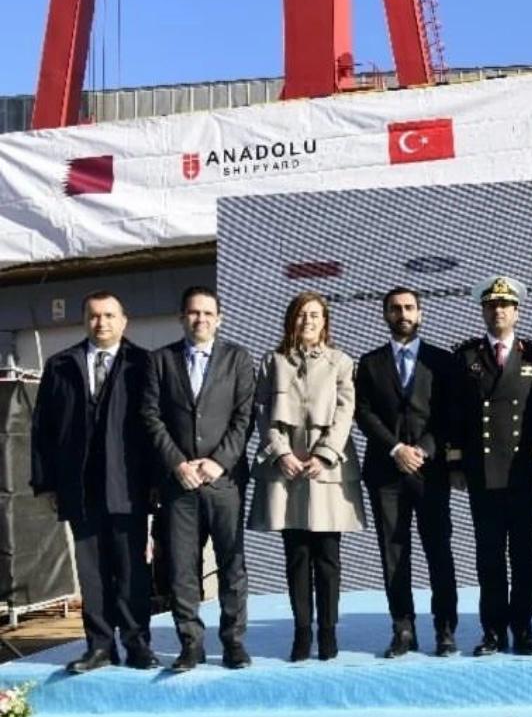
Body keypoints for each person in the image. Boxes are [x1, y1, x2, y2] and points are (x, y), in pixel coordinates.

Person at [30, 291, 155, 673]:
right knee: (92, 572)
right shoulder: (60, 365)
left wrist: (155, 484)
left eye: (109, 315)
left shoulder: (144, 363)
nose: (102, 323)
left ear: (124, 320)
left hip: (128, 486)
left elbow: (154, 428)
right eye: (94, 316)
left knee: (132, 569)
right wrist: (45, 483)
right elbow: (43, 430)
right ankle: (99, 646)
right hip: (79, 488)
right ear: (85, 320)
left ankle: (137, 644)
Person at [140, 286, 257, 672]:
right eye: (193, 313)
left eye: (208, 313)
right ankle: (191, 643)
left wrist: (218, 462)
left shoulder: (237, 359)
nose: (200, 319)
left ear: (219, 318)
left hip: (224, 482)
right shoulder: (161, 360)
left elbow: (244, 417)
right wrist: (178, 463)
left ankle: (233, 642)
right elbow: (151, 417)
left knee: (231, 564)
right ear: (181, 318)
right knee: (182, 567)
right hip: (179, 484)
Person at [248, 292, 366, 660]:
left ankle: (328, 633)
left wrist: (325, 454)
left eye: (315, 315)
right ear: (291, 320)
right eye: (301, 315)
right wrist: (281, 452)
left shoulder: (341, 362)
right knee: (296, 556)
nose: (308, 322)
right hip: (287, 471)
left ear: (325, 321)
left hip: (327, 470)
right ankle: (301, 633)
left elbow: (346, 413)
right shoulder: (273, 360)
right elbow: (263, 411)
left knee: (328, 558)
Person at [447, 276, 532, 657]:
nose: (498, 311)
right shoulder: (466, 357)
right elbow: (454, 414)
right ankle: (492, 630)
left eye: (505, 306)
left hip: (523, 473)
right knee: (489, 555)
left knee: (525, 554)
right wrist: (456, 460)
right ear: (483, 311)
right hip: (483, 472)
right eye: (492, 306)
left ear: (517, 312)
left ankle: (523, 627)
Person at [354, 287, 461, 657]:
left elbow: (450, 414)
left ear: (421, 313)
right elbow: (363, 413)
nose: (403, 314)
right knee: (393, 553)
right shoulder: (369, 363)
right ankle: (403, 629)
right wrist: (396, 448)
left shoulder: (442, 361)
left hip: (430, 472)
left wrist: (424, 449)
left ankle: (445, 629)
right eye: (396, 309)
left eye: (410, 308)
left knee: (439, 550)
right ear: (385, 315)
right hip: (386, 472)